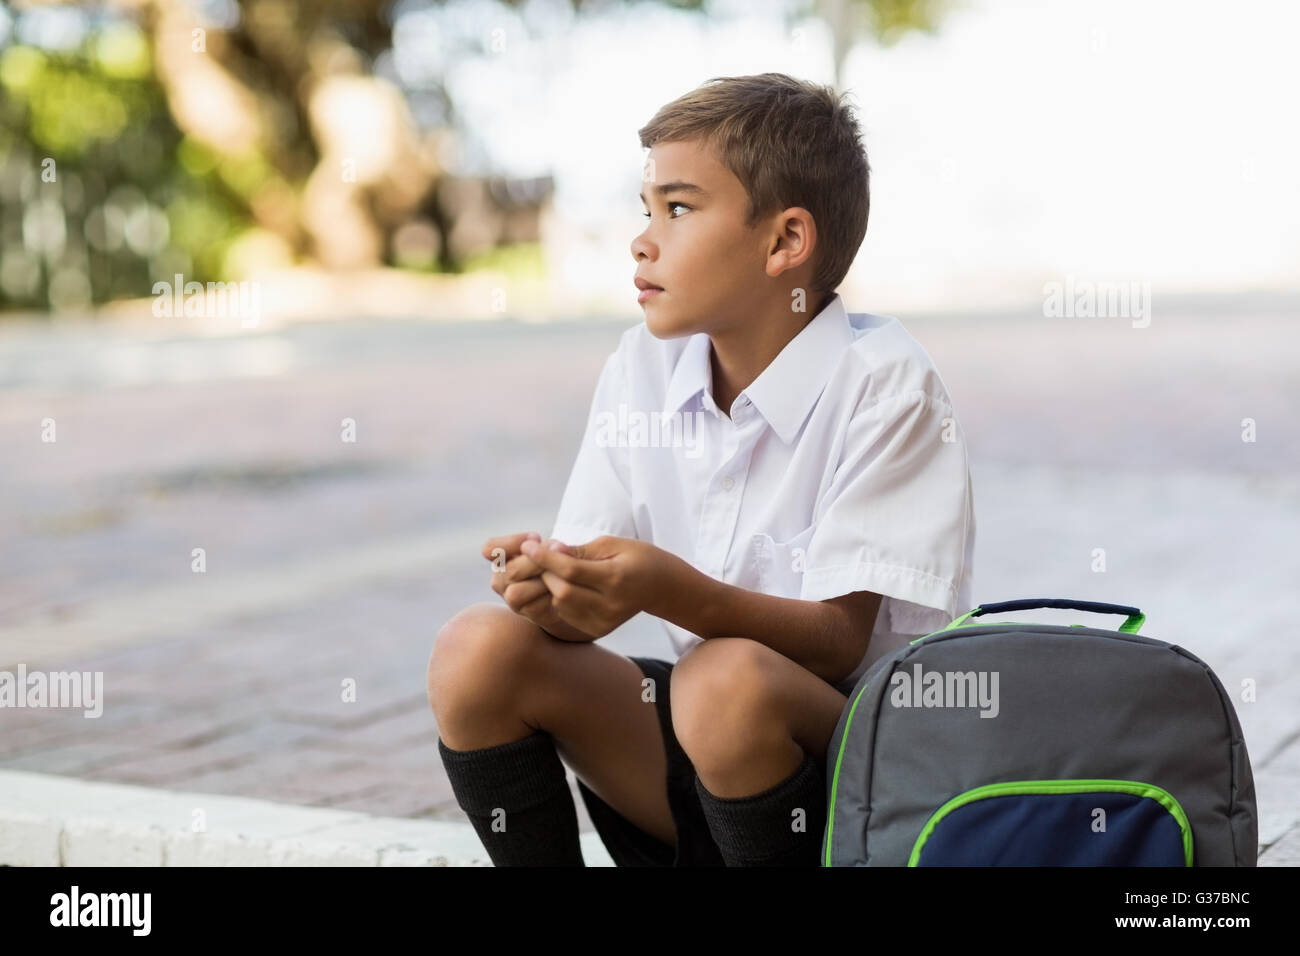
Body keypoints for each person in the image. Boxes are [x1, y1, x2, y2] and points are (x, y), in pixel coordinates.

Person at [427, 72, 976, 866]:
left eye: (679, 209)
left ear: (786, 242)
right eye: (645, 209)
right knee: (477, 648)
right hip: (702, 748)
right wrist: (552, 591)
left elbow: (834, 641)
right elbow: (594, 598)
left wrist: (665, 588)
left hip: (858, 787)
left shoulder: (886, 383)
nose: (642, 239)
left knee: (723, 680)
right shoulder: (642, 367)